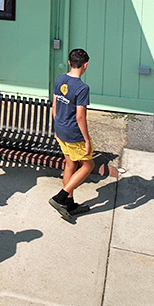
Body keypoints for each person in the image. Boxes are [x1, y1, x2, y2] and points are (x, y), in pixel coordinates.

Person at [49, 48, 94, 219]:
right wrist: (87, 139)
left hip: (60, 128)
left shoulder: (60, 79)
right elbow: (80, 116)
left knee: (70, 164)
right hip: (74, 133)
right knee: (88, 165)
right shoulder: (82, 88)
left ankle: (69, 203)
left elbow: (54, 104)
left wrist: (56, 126)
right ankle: (61, 197)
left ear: (69, 63)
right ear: (85, 65)